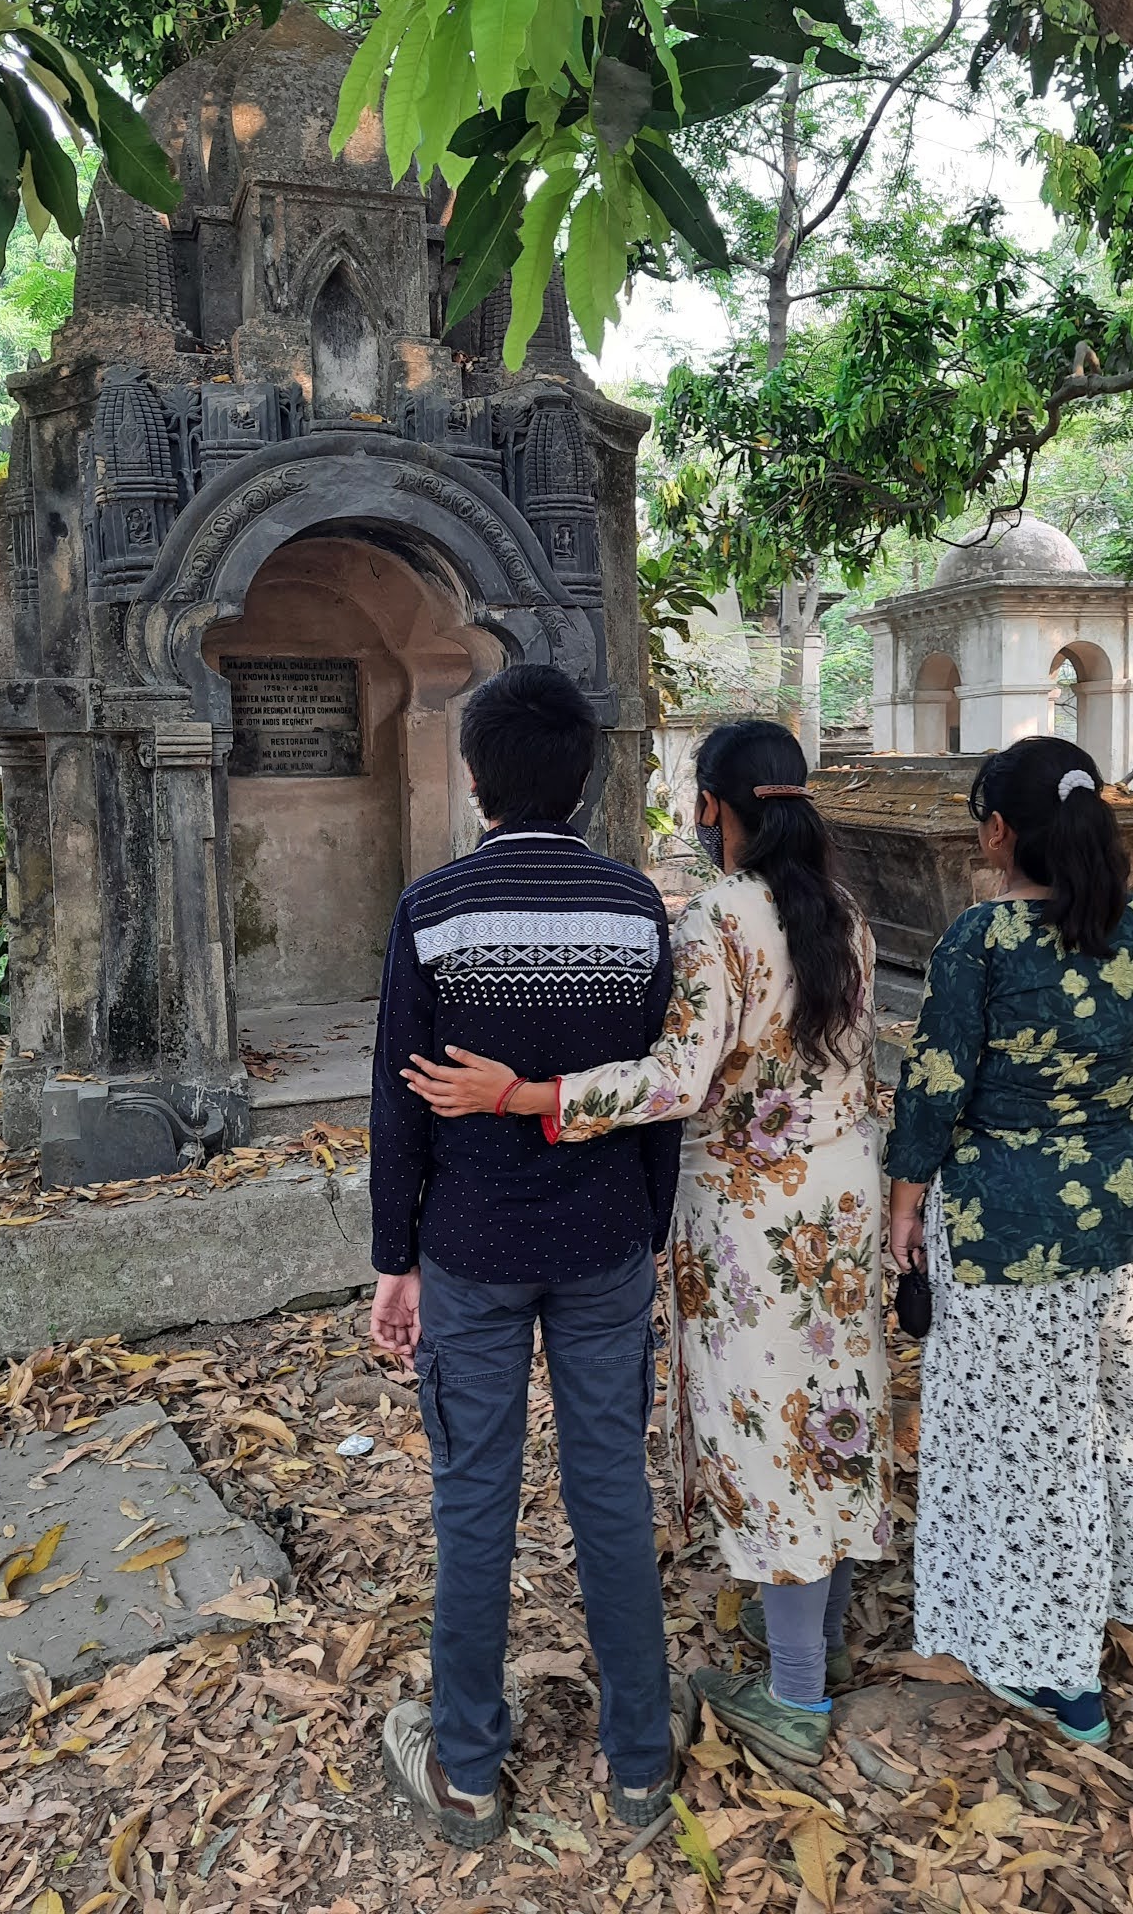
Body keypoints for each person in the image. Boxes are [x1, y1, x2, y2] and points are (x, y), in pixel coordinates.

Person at [405, 719, 893, 1770]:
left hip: (754, 1214)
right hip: (839, 1201)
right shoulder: (842, 913)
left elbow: (674, 1079)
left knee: (769, 1427)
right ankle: (790, 1637)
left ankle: (797, 1690)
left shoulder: (719, 913)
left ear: (714, 804)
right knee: (832, 1411)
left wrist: (525, 1093)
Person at [884, 735, 1133, 1748]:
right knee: (1115, 1422)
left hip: (1007, 1225)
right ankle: (1096, 1611)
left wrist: (901, 1204)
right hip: (1130, 1221)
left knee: (1027, 1447)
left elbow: (934, 1088)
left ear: (1000, 830)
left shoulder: (980, 941)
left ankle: (1058, 1674)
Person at [368, 663, 686, 1849]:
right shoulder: (635, 907)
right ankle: (641, 1762)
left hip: (473, 1245)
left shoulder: (436, 909)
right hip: (605, 1240)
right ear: (587, 777)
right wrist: (647, 1229)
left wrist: (393, 1256)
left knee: (473, 1499)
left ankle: (466, 1771)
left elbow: (398, 1101)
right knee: (611, 1490)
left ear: (475, 774)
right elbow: (658, 1093)